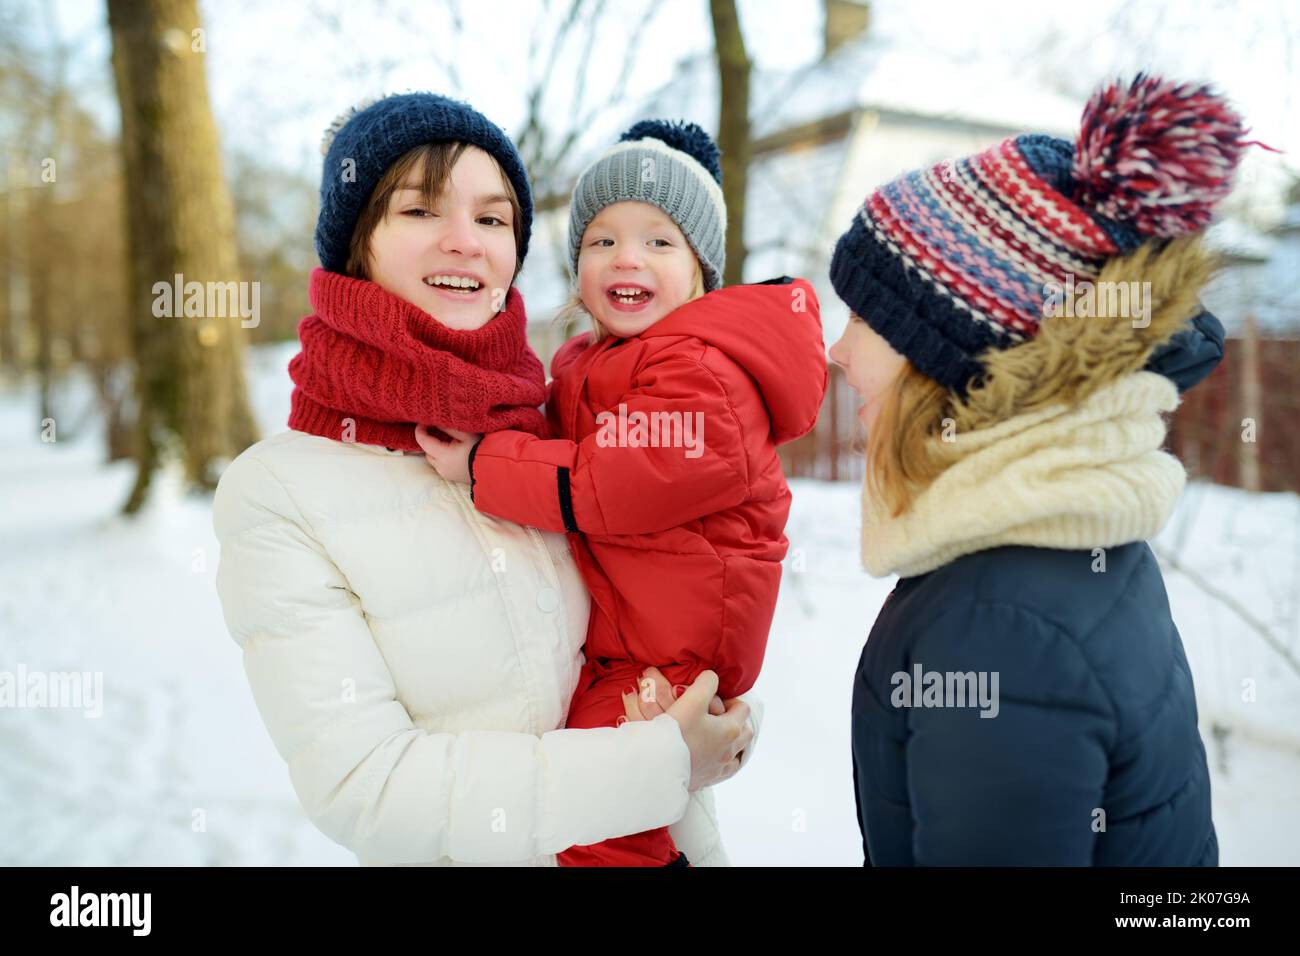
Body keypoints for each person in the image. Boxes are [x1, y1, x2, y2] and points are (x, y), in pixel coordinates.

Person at [212, 93, 755, 867]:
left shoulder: (559, 432)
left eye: (494, 219)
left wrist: (715, 721)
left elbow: (678, 609)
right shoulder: (279, 493)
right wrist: (661, 764)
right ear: (355, 242)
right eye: (420, 211)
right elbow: (369, 788)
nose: (464, 242)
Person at [830, 74, 1249, 864]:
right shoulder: (1070, 537)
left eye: (863, 319)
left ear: (954, 354)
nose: (837, 352)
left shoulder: (996, 624)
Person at [418, 120, 827, 865]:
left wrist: (483, 466)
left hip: (678, 657)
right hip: (631, 638)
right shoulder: (591, 362)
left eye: (658, 242)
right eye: (601, 240)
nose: (626, 257)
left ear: (703, 270)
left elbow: (610, 483)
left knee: (599, 820)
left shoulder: (704, 372)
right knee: (605, 801)